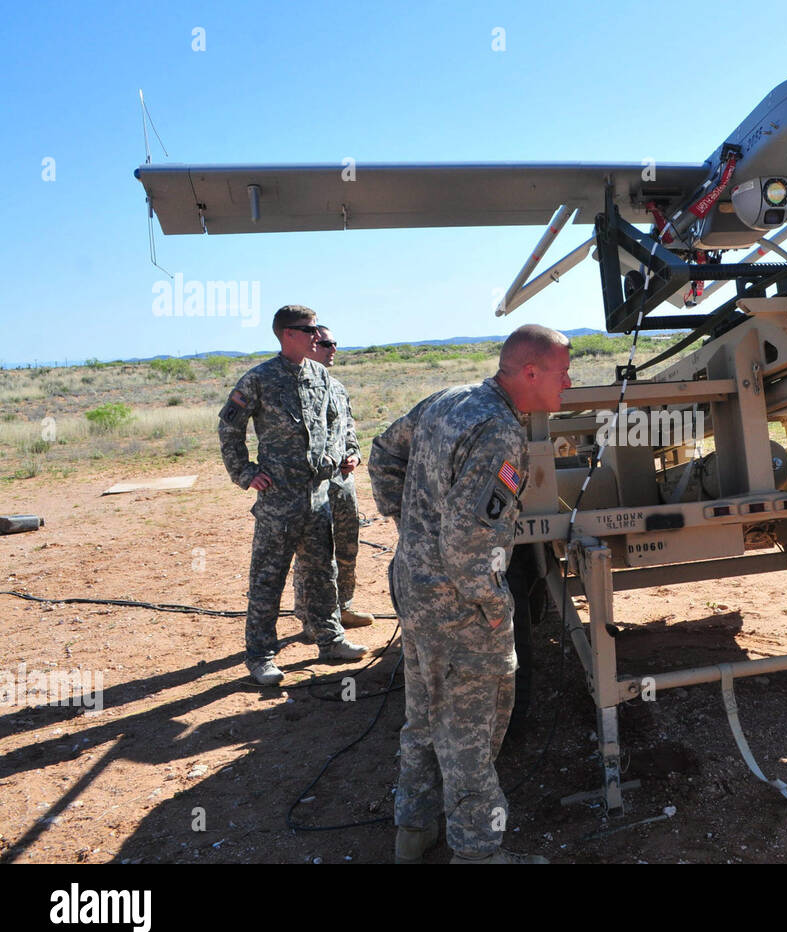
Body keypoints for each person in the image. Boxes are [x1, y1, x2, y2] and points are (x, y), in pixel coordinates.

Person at [370, 324, 571, 864]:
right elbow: (467, 541)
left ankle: (412, 832)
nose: (570, 382)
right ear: (530, 373)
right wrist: (493, 603)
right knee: (470, 734)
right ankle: (477, 853)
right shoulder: (501, 434)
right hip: (459, 605)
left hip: (414, 588)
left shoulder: (449, 400)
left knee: (423, 715)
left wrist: (407, 525)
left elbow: (384, 451)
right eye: (562, 371)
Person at [218, 305, 369, 687]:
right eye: (310, 330)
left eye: (317, 329)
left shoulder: (320, 376)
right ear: (287, 334)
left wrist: (336, 456)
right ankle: (261, 655)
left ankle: (330, 639)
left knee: (323, 573)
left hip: (317, 496)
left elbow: (334, 422)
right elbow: (229, 427)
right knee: (268, 579)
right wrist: (246, 473)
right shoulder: (259, 379)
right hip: (278, 501)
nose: (317, 336)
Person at [292, 325, 374, 632]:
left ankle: (343, 607)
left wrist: (354, 453)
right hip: (313, 485)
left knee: (347, 545)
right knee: (312, 554)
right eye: (326, 343)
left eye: (335, 343)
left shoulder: (337, 387)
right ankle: (310, 618)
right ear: (311, 345)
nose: (332, 348)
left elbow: (347, 429)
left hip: (342, 481)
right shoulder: (296, 387)